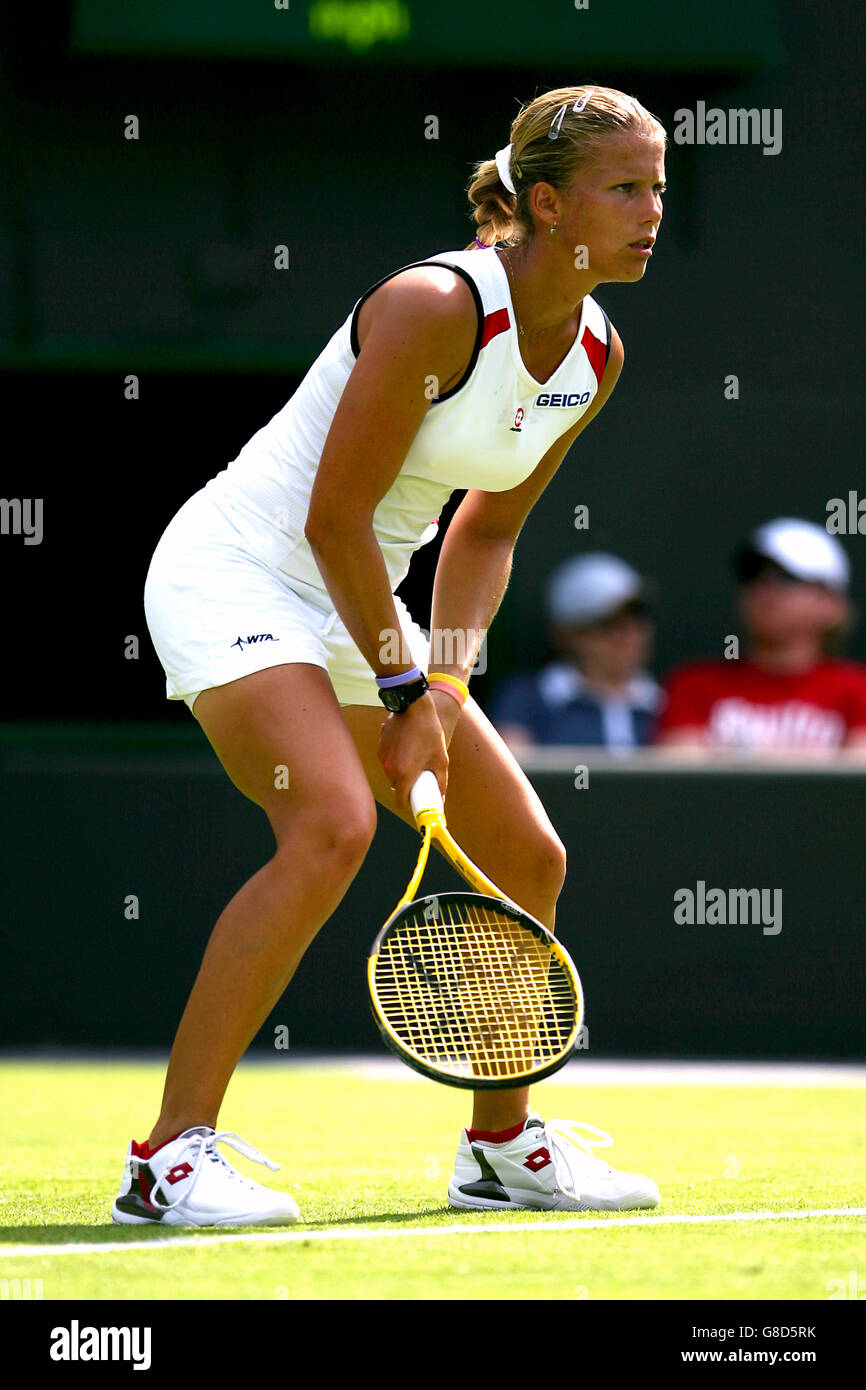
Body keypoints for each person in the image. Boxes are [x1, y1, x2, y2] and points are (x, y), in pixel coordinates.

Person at [117, 84, 667, 1228]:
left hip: (359, 594)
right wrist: (404, 685)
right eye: (625, 187)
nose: (650, 208)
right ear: (549, 204)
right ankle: (167, 1160)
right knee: (329, 823)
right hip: (240, 570)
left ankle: (499, 1145)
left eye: (658, 185)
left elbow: (486, 530)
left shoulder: (595, 353)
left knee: (525, 854)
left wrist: (445, 686)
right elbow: (332, 517)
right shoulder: (432, 304)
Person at [656, 517, 866, 756]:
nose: (765, 588)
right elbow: (682, 779)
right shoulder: (693, 684)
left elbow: (855, 784)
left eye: (786, 577)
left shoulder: (858, 690)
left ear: (831, 604)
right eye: (754, 575)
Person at [490, 552, 662, 751]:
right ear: (566, 634)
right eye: (607, 623)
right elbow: (505, 772)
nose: (628, 635)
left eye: (637, 616)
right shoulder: (524, 700)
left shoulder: (669, 705)